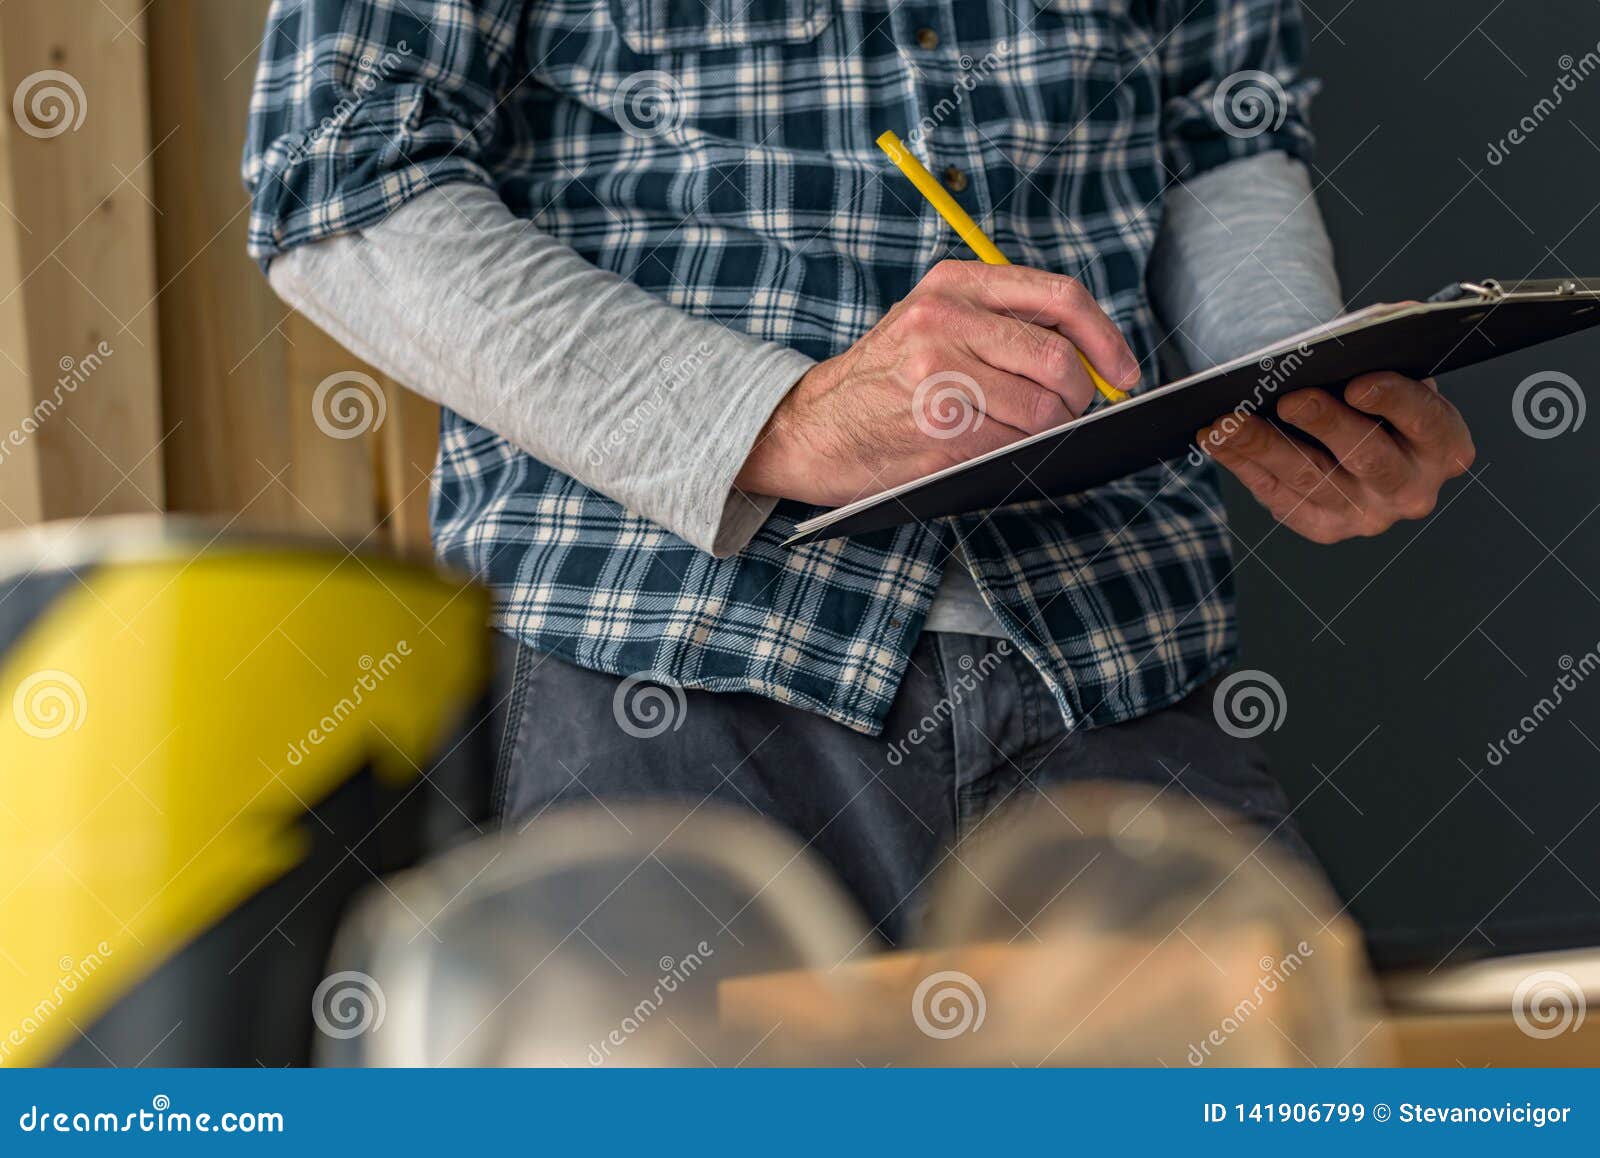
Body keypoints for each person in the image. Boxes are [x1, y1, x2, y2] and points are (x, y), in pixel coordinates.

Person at [245, 0, 1474, 942]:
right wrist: (779, 420)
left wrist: (1288, 383)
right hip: (664, 679)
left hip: (1120, 658)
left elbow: (1221, 128)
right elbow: (339, 179)